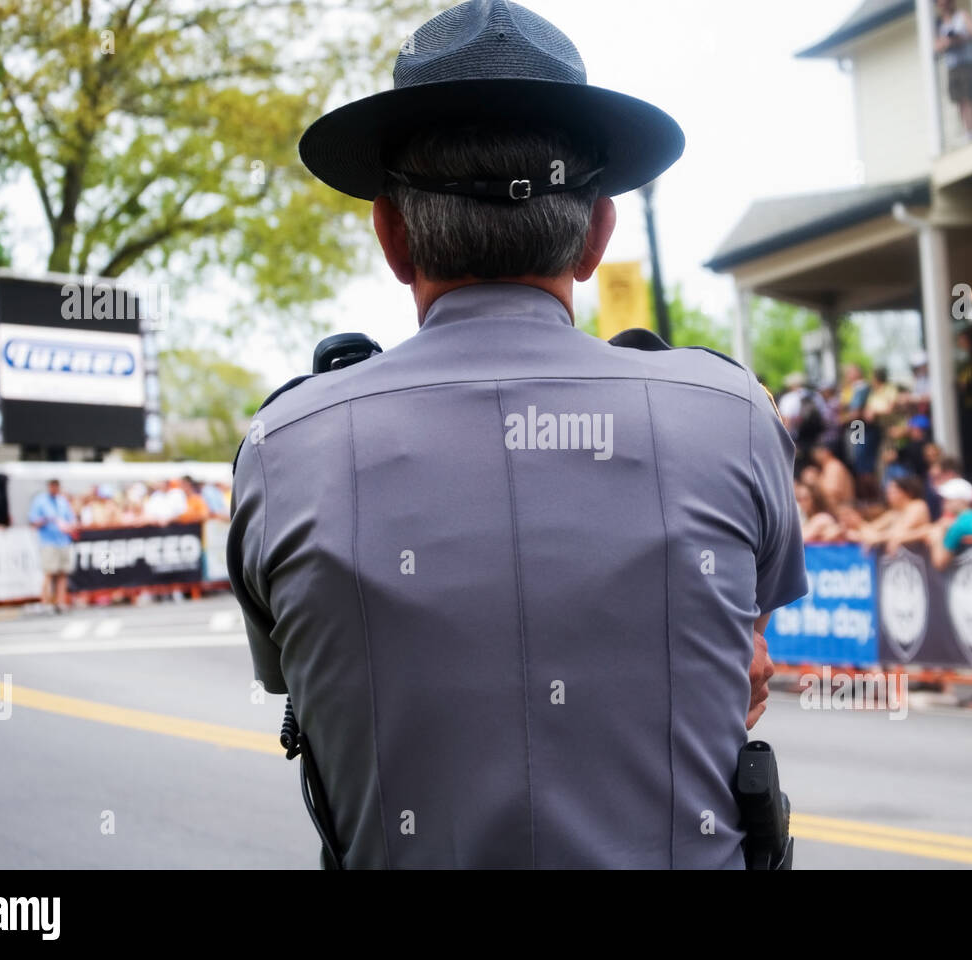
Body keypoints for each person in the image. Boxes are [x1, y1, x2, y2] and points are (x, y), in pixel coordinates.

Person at [228, 0, 806, 870]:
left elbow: (305, 683)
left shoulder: (283, 449)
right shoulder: (732, 417)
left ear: (391, 234)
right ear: (598, 233)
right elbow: (743, 655)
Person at [28, 479, 76, 613]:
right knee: (49, 572)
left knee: (62, 572)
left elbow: (71, 519)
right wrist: (48, 519)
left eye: (56, 486)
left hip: (63, 541)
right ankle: (46, 602)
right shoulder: (40, 501)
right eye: (52, 486)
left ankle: (60, 602)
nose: (54, 488)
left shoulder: (62, 501)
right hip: (48, 542)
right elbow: (33, 521)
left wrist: (69, 526)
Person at [934, 0, 972, 138]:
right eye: (941, 4)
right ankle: (967, 130)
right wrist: (947, 42)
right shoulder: (939, 24)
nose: (944, 6)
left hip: (966, 63)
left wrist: (959, 39)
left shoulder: (962, 16)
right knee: (959, 100)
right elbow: (936, 46)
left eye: (946, 3)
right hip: (952, 67)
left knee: (968, 98)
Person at [926, 477, 972, 570]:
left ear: (963, 501)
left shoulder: (959, 525)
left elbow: (939, 563)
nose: (944, 503)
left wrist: (937, 536)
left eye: (948, 499)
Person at [811, 443, 855, 510]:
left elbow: (831, 491)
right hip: (839, 509)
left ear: (827, 452)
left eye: (818, 451)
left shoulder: (833, 466)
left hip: (842, 510)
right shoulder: (827, 467)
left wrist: (816, 482)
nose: (815, 454)